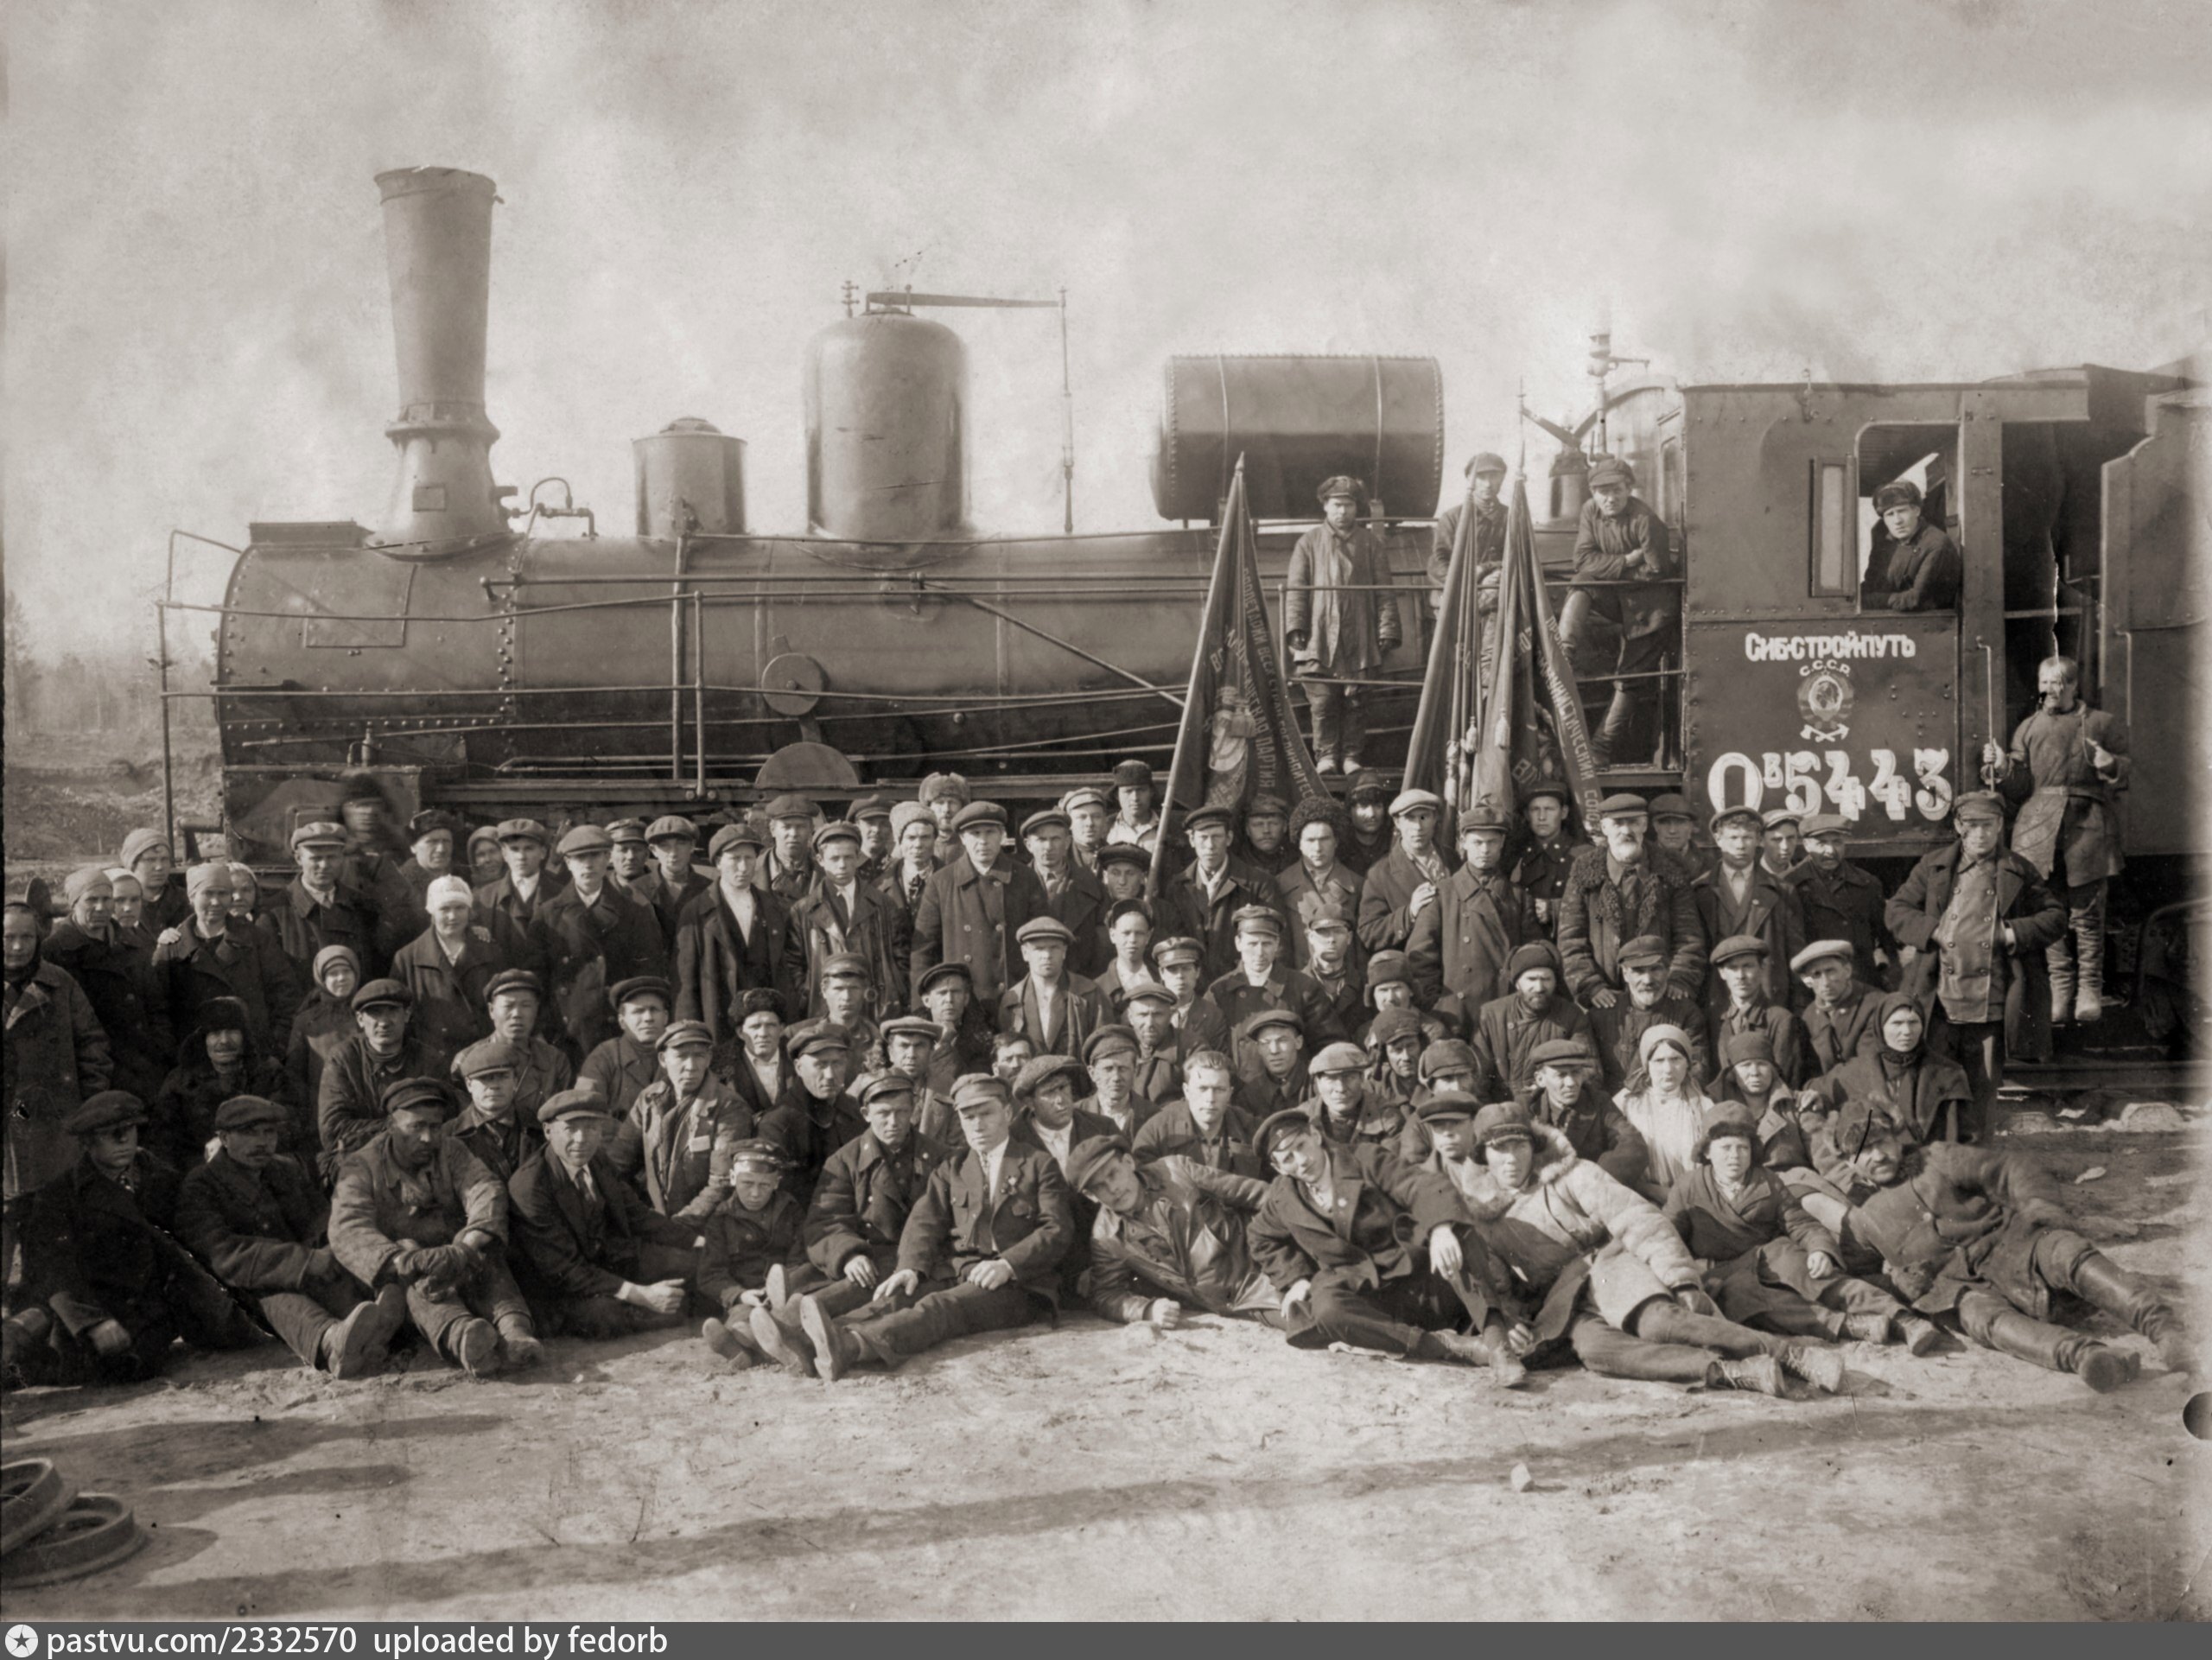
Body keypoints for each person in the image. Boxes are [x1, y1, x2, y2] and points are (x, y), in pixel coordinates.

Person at [1453, 1104, 1832, 1396]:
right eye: (1499, 1149)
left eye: (1519, 1145)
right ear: (1484, 1156)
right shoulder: (1486, 1218)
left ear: (1533, 1147)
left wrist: (1680, 1279)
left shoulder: (1573, 1174)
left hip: (1612, 1263)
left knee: (1657, 1322)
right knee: (1597, 1351)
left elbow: (1637, 1219)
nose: (1510, 1158)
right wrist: (1511, 1321)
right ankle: (1730, 1372)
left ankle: (1788, 1354)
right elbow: (1499, 1287)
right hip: (1566, 1301)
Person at [1833, 1100, 2183, 1389]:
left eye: (1881, 1142)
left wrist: (2041, 1210)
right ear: (1849, 1162)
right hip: (1959, 1288)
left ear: (1897, 1139)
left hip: (2012, 1243)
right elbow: (1857, 1280)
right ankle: (2088, 1357)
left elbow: (2011, 1168)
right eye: (1863, 1150)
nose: (1877, 1156)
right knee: (1982, 1320)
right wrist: (1897, 1283)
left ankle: (2162, 1328)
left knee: (2065, 1251)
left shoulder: (1936, 1158)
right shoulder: (1860, 1221)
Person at [794, 1072, 1073, 1381]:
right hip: (961, 1268)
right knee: (901, 1294)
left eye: (986, 1114)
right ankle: (812, 1341)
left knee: (940, 1307)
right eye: (968, 1117)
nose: (978, 1125)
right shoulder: (954, 1167)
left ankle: (851, 1346)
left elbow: (1056, 1230)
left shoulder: (1038, 1164)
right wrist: (910, 1268)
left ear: (1007, 1113)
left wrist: (1008, 1264)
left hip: (1020, 1285)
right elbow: (924, 1221)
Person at [3, 1092, 259, 1384]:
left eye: (129, 1130)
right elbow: (51, 1268)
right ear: (88, 1143)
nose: (124, 1140)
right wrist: (92, 1320)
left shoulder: (160, 1179)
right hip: (85, 1312)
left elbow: (191, 1234)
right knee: (33, 1348)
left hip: (148, 1312)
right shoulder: (59, 1196)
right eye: (111, 1134)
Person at [1247, 1107, 1524, 1374]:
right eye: (1288, 1158)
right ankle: (1449, 1347)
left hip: (1422, 1280)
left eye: (1301, 1146)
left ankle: (1497, 1343)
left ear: (1316, 1136)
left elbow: (1421, 1186)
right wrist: (1296, 1278)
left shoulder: (1365, 1159)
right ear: (1278, 1167)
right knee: (1328, 1309)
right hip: (1370, 1299)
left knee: (1460, 1234)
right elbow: (1260, 1236)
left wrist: (1441, 1228)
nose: (1301, 1160)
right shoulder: (1284, 1198)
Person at [1662, 1103, 1933, 1352]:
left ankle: (1903, 1319)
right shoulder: (1687, 1187)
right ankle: (1849, 1325)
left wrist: (1820, 1250)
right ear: (1707, 1151)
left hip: (1771, 1257)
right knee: (1743, 1301)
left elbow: (1801, 1223)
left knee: (1823, 1280)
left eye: (1743, 1148)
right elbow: (1667, 1237)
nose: (1735, 1156)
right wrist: (1689, 1269)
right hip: (1724, 1273)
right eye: (1726, 1148)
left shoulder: (1767, 1181)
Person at [175, 1093, 409, 1378]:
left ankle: (373, 1328)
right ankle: (330, 1342)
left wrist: (329, 1250)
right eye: (249, 1133)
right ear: (224, 1138)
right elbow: (222, 1255)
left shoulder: (284, 1170)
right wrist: (306, 1261)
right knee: (273, 1291)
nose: (262, 1142)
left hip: (296, 1275)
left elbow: (321, 1219)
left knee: (332, 1270)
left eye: (269, 1132)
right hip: (229, 1300)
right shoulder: (201, 1185)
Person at [1885, 791, 2066, 1140]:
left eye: (1988, 825)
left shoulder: (2018, 869)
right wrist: (1933, 930)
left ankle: (1980, 1158)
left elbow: (2056, 916)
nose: (1980, 834)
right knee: (1935, 1086)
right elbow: (1896, 910)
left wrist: (2011, 932)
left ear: (1999, 826)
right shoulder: (1934, 866)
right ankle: (1937, 1155)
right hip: (1940, 1001)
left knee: (1982, 1092)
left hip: (1991, 1005)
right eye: (1972, 825)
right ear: (1958, 826)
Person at [327, 1077, 538, 1376]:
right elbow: (347, 1227)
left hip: (455, 1255)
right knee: (416, 1276)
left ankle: (514, 1332)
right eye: (416, 1127)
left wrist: (466, 1245)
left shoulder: (451, 1151)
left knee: (485, 1250)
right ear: (390, 1125)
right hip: (400, 1272)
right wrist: (404, 1261)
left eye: (435, 1127)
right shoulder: (361, 1165)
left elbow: (484, 1187)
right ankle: (464, 1338)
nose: (428, 1138)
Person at [766, 1072, 954, 1371]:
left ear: (915, 1110)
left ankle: (799, 1335)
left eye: (902, 1112)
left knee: (889, 1295)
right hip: (867, 1253)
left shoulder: (941, 1158)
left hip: (920, 1258)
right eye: (883, 1114)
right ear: (866, 1114)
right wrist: (849, 1254)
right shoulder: (845, 1160)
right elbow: (825, 1220)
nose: (893, 1122)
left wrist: (913, 1259)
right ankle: (771, 1331)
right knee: (844, 1276)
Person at [1983, 654, 2131, 1025]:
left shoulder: (2101, 723)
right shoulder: (2028, 727)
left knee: (2088, 914)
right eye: (2045, 682)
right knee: (2050, 912)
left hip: (2088, 826)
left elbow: (2128, 770)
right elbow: (2020, 787)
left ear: (2074, 686)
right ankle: (2060, 989)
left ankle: (2090, 989)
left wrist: (2110, 764)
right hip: (2039, 829)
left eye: (2059, 683)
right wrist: (2003, 767)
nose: (2051, 689)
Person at [509, 1089, 701, 1342]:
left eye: (591, 1128)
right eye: (570, 1129)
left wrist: (697, 1241)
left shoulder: (597, 1160)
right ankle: (663, 1309)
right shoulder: (529, 1186)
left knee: (691, 1264)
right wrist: (641, 1295)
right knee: (605, 1315)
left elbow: (638, 1215)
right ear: (548, 1131)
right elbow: (565, 1270)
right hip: (563, 1287)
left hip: (608, 1264)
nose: (581, 1139)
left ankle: (727, 1311)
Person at [1068, 1134, 1280, 1327]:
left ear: (1128, 1162)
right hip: (1229, 1307)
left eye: (1113, 1174)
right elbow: (1106, 1294)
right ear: (1091, 1196)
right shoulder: (1106, 1236)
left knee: (1299, 1318)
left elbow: (1261, 1195)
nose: (1113, 1188)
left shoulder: (1176, 1172)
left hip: (1265, 1272)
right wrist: (1147, 1310)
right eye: (1099, 1187)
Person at [1560, 455, 1678, 766]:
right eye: (1603, 491)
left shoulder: (1645, 520)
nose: (1610, 498)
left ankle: (1600, 750)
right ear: (1593, 493)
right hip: (1619, 594)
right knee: (1582, 581)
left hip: (1651, 607)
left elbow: (1657, 571)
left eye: (1616, 490)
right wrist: (1627, 561)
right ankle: (1563, 653)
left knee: (1629, 678)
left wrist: (1612, 570)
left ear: (1628, 489)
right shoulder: (1591, 511)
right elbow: (1582, 560)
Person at [1285, 475, 1402, 773]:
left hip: (1360, 633)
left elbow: (1385, 591)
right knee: (1322, 701)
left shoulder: (1371, 544)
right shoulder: (1308, 543)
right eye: (1336, 504)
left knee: (1356, 700)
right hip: (1320, 634)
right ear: (1325, 506)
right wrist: (1296, 628)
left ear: (1356, 508)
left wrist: (1387, 629)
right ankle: (1325, 756)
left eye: (1348, 505)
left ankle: (1351, 756)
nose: (1342, 511)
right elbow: (1296, 590)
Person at [535, 823, 670, 1060]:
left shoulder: (634, 912)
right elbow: (537, 978)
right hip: (566, 1032)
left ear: (607, 858)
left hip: (618, 1028)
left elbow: (648, 975)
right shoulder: (548, 914)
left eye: (595, 856)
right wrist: (547, 1027)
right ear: (568, 862)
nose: (588, 865)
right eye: (580, 858)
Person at [1558, 796, 1706, 1009]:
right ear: (1604, 828)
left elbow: (1688, 936)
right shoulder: (1584, 871)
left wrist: (1678, 980)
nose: (1626, 831)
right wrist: (1590, 987)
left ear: (1644, 825)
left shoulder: (1671, 871)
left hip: (1660, 996)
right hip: (1604, 1001)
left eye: (1633, 822)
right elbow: (1571, 940)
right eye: (1618, 823)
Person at [152, 862, 302, 1061]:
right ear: (192, 897)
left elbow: (286, 997)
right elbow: (157, 1011)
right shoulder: (172, 948)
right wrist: (176, 1056)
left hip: (251, 1058)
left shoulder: (256, 939)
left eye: (223, 893)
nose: (215, 902)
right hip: (193, 1061)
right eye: (208, 893)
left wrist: (274, 1050)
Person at [909, 800, 1049, 1010]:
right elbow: (923, 951)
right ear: (963, 838)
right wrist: (922, 1007)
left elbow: (1042, 941)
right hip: (962, 1002)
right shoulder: (942, 882)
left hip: (1016, 997)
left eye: (990, 832)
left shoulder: (1025, 878)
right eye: (975, 834)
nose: (983, 841)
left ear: (1002, 835)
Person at [676, 818, 809, 1039]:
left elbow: (783, 970)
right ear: (718, 862)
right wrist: (689, 1033)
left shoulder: (771, 906)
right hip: (719, 1018)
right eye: (735, 859)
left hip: (764, 1024)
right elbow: (686, 982)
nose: (743, 867)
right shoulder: (697, 911)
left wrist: (788, 1020)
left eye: (749, 858)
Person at [45, 866, 168, 1101]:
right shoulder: (55, 953)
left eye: (107, 899)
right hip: (97, 1074)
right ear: (74, 904)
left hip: (146, 1067)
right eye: (92, 900)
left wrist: (161, 1051)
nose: (101, 907)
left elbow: (157, 1008)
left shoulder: (132, 944)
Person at [612, 1020, 750, 1221]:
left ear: (709, 1059)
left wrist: (676, 1227)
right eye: (681, 1056)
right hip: (657, 1220)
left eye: (699, 1056)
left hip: (707, 1225)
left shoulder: (729, 1106)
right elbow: (619, 1161)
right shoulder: (648, 1099)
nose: (691, 1066)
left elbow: (722, 1184)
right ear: (663, 1059)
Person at [1803, 992, 1975, 1154]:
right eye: (1897, 1024)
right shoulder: (1855, 1070)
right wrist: (1819, 1100)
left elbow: (1969, 1137)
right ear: (1881, 1027)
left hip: (1932, 1163)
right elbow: (1814, 1093)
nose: (1907, 1031)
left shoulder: (1948, 1073)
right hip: (1876, 1161)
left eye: (1913, 1022)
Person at [696, 1139, 817, 1366]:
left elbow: (799, 1257)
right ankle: (743, 1349)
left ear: (776, 1182)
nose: (755, 1193)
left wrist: (785, 1285)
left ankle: (750, 1347)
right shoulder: (721, 1219)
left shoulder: (791, 1211)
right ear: (733, 1178)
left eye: (764, 1185)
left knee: (792, 1312)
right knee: (741, 1318)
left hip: (787, 1292)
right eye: (747, 1183)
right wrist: (740, 1295)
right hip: (747, 1294)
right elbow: (710, 1275)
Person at [1408, 801, 1535, 1014]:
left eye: (1492, 842)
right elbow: (1420, 958)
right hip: (1456, 1013)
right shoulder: (1442, 894)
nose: (1485, 850)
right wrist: (1436, 1005)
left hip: (1505, 1010)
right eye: (1477, 842)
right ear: (1463, 842)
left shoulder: (1518, 896)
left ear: (1502, 843)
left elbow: (1532, 956)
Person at [317, 978, 445, 1180]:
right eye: (375, 1013)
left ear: (407, 1015)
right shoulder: (343, 1058)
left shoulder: (429, 1059)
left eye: (392, 1011)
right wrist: (397, 1126)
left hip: (418, 1157)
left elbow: (445, 1119)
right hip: (358, 1158)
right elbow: (333, 1130)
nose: (384, 1022)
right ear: (360, 1019)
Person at [156, 995, 300, 1173]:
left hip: (260, 1164)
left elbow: (290, 1124)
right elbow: (163, 1140)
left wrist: (233, 1144)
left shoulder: (268, 1071)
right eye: (215, 1033)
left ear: (244, 1036)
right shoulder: (181, 1080)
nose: (224, 1041)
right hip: (200, 1170)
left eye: (232, 1032)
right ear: (203, 1040)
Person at [1693, 806, 1807, 1020]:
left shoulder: (1782, 891)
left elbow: (1796, 955)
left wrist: (1799, 1008)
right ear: (1718, 840)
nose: (1740, 845)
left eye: (1747, 837)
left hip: (1769, 999)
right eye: (1733, 837)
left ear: (1758, 840)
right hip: (1717, 1001)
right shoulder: (1700, 891)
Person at [791, 819, 908, 1019]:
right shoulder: (804, 910)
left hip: (876, 1006)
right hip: (826, 1009)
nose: (842, 865)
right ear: (820, 860)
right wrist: (809, 992)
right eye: (834, 858)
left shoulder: (883, 903)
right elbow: (794, 963)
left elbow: (902, 955)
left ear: (858, 857)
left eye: (848, 857)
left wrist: (895, 990)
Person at [391, 875, 513, 1059]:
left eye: (460, 908)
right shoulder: (407, 958)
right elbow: (400, 1016)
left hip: (482, 1055)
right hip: (431, 1058)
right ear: (432, 913)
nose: (453, 916)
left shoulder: (490, 951)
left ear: (469, 911)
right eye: (444, 909)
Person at [1156, 804, 1284, 981]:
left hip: (1243, 983)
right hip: (1192, 985)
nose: (1210, 845)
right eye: (1203, 837)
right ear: (1192, 840)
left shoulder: (1259, 884)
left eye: (1216, 837)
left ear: (1229, 838)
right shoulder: (1177, 886)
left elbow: (1277, 945)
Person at [1584, 933, 1713, 1091]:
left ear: (1668, 970)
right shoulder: (1602, 1014)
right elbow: (1589, 1073)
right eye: (1638, 972)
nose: (1648, 980)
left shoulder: (1686, 1013)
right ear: (1625, 974)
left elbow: (1697, 1071)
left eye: (1655, 969)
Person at [1516, 1039, 1649, 1190]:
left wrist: (1593, 1182)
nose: (1571, 1083)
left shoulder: (1599, 1101)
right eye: (1561, 1075)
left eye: (1576, 1072)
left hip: (1592, 1191)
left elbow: (1633, 1145)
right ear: (1541, 1079)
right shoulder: (1525, 1108)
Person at [1205, 904, 1341, 1050]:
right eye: (1252, 944)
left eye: (1266, 944)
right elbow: (1207, 1048)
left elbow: (1330, 1044)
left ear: (1277, 944)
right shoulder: (1219, 991)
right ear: (1238, 943)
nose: (1259, 952)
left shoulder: (1304, 988)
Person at [1787, 814, 1897, 990]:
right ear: (1807, 845)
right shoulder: (1789, 886)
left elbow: (1886, 939)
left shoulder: (1867, 884)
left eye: (1837, 842)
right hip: (1815, 987)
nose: (1830, 851)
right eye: (1821, 843)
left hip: (1861, 985)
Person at [270, 819, 391, 980]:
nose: (324, 865)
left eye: (332, 857)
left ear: (342, 858)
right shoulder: (275, 912)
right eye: (316, 858)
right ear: (299, 858)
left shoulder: (364, 906)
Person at [1470, 944, 1593, 1100]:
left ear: (1555, 981)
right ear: (1517, 983)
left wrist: (1549, 1089)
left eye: (1546, 979)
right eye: (1531, 979)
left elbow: (1590, 1069)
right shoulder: (1491, 1014)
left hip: (1551, 1103)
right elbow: (1479, 1075)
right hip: (1501, 1105)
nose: (1539, 987)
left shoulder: (1572, 1015)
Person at [759, 1024, 865, 1196]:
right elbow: (781, 1195)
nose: (830, 1075)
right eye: (820, 1065)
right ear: (799, 1068)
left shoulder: (855, 1109)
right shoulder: (778, 1122)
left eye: (837, 1063)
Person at [1612, 1023, 1714, 1202]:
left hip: (1693, 1199)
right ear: (1647, 1065)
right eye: (1659, 1061)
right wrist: (1649, 1191)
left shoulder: (1704, 1105)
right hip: (1639, 1199)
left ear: (1688, 1063)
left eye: (1676, 1059)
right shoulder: (1625, 1103)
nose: (1668, 1069)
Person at [1132, 1048, 1262, 1176]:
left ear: (1230, 1093)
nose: (1210, 1099)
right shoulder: (1157, 1131)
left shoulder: (1249, 1127)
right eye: (1202, 1089)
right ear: (1186, 1091)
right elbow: (1141, 1180)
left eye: (1219, 1090)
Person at [1356, 789, 1452, 958]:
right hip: (1412, 967)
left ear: (1435, 818)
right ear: (1398, 823)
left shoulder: (1453, 860)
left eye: (1424, 817)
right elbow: (1369, 934)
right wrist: (1409, 914)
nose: (1418, 827)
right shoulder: (1380, 873)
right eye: (1410, 818)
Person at [1708, 934, 1813, 1089]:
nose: (1741, 976)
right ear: (1722, 973)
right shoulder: (1716, 1020)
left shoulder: (1780, 1020)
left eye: (1748, 966)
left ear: (1762, 968)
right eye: (1733, 968)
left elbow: (1786, 1081)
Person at [1427, 452, 1510, 643]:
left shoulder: (1511, 517)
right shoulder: (1453, 518)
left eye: (1493, 476)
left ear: (1502, 479)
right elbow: (1439, 563)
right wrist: (1468, 584)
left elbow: (1520, 558)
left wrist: (1487, 568)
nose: (1488, 484)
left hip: (1497, 599)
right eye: (1481, 477)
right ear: (1469, 479)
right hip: (1455, 596)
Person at [998, 915, 1105, 1059]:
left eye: (1054, 948)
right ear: (1025, 953)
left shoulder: (1088, 993)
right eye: (1039, 949)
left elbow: (1103, 1048)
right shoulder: (1012, 1001)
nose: (1047, 955)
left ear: (1064, 952)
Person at [1023, 808, 1109, 979]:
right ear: (1028, 845)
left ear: (1068, 842)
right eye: (1041, 840)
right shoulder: (1016, 886)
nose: (1048, 847)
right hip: (1031, 980)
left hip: (1080, 979)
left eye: (1055, 839)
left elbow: (1104, 943)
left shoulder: (1092, 886)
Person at [480, 969, 576, 1122]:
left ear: (536, 1009)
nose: (517, 1014)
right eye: (508, 1006)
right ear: (492, 1010)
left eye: (526, 1005)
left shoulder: (555, 1060)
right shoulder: (466, 1061)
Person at [1275, 799, 1362, 968]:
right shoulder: (1280, 884)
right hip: (1298, 977)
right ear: (1299, 843)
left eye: (1324, 839)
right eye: (1310, 840)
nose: (1318, 848)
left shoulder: (1357, 885)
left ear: (1336, 841)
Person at [447, 1036, 540, 1186]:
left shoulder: (540, 1127)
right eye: (485, 1078)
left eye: (502, 1077)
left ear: (515, 1081)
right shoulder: (449, 1135)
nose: (494, 1086)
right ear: (469, 1084)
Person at [1710, 1032, 1811, 1168]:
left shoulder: (1797, 1104)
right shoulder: (1715, 1107)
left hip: (1792, 1179)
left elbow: (1826, 1160)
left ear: (1773, 1069)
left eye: (1762, 1064)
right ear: (1732, 1073)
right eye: (1745, 1065)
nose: (1755, 1072)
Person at [578, 976, 674, 1120]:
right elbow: (586, 1114)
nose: (648, 1018)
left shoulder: (680, 1054)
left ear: (665, 1017)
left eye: (654, 1009)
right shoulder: (603, 1057)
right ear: (622, 1021)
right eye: (638, 1011)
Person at [286, 944, 365, 1110]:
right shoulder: (306, 1021)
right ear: (322, 979)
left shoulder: (367, 1014)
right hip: (323, 1110)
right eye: (333, 973)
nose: (341, 978)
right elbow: (295, 1075)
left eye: (347, 971)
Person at [1866, 479, 1961, 612]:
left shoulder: (1937, 544)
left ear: (1916, 510)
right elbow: (1870, 585)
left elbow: (1916, 599)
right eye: (1890, 514)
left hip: (1930, 622)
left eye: (1902, 511)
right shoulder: (1885, 546)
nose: (1897, 520)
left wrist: (1867, 600)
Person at [1793, 939, 1885, 1077]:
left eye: (1831, 971)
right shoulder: (1810, 1015)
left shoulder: (1877, 1004)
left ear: (1847, 971)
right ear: (1807, 981)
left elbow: (1869, 1065)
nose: (1825, 982)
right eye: (1816, 974)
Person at [1308, 1040, 1408, 1151]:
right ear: (1318, 1082)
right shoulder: (1302, 1118)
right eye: (1331, 1079)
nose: (1341, 1088)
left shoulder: (1387, 1118)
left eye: (1349, 1078)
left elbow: (1393, 1160)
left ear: (1362, 1078)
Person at [1512, 783, 1579, 938]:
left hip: (1568, 942)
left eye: (1549, 809)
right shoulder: (1515, 856)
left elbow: (1596, 909)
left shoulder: (1582, 854)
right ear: (1526, 815)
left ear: (1564, 813)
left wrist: (1554, 909)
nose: (1542, 817)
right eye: (1535, 809)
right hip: (1526, 945)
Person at [1150, 935, 1232, 1060]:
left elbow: (1220, 1061)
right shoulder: (1148, 1012)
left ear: (1197, 972)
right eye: (1172, 970)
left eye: (1186, 969)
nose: (1180, 976)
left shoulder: (1213, 1016)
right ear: (1162, 973)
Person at [474, 818, 564, 929]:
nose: (521, 857)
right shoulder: (484, 897)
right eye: (514, 849)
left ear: (543, 852)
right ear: (504, 854)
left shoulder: (561, 895)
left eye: (529, 848)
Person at [643, 816, 714, 944]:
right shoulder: (636, 889)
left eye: (681, 844)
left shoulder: (710, 889)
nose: (673, 853)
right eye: (664, 845)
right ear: (653, 850)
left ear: (692, 846)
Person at [1230, 1008, 1309, 1119]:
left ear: (1298, 1042)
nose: (1274, 1050)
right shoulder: (1249, 1095)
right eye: (1265, 1043)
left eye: (1282, 1041)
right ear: (1258, 1048)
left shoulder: (1317, 1084)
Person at [1118, 976, 1185, 1105]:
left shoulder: (1191, 1047)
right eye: (1142, 1015)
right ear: (1130, 1017)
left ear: (1170, 1016)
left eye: (1157, 1015)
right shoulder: (1119, 1048)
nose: (1149, 1023)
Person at [880, 801, 942, 925]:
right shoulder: (881, 886)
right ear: (900, 841)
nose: (918, 845)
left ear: (934, 839)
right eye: (911, 838)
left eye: (925, 837)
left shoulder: (951, 879)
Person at [121, 827, 191, 934]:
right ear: (132, 865)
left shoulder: (184, 900)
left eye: (164, 859)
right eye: (150, 860)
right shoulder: (116, 902)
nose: (159, 867)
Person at [1092, 900, 1155, 1006]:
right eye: (1126, 933)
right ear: (1112, 935)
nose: (1132, 940)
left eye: (1139, 933)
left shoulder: (1163, 979)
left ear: (1148, 937)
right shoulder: (1098, 988)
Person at [399, 810, 462, 909]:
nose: (441, 849)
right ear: (413, 847)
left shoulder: (462, 878)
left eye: (446, 841)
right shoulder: (401, 884)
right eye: (432, 842)